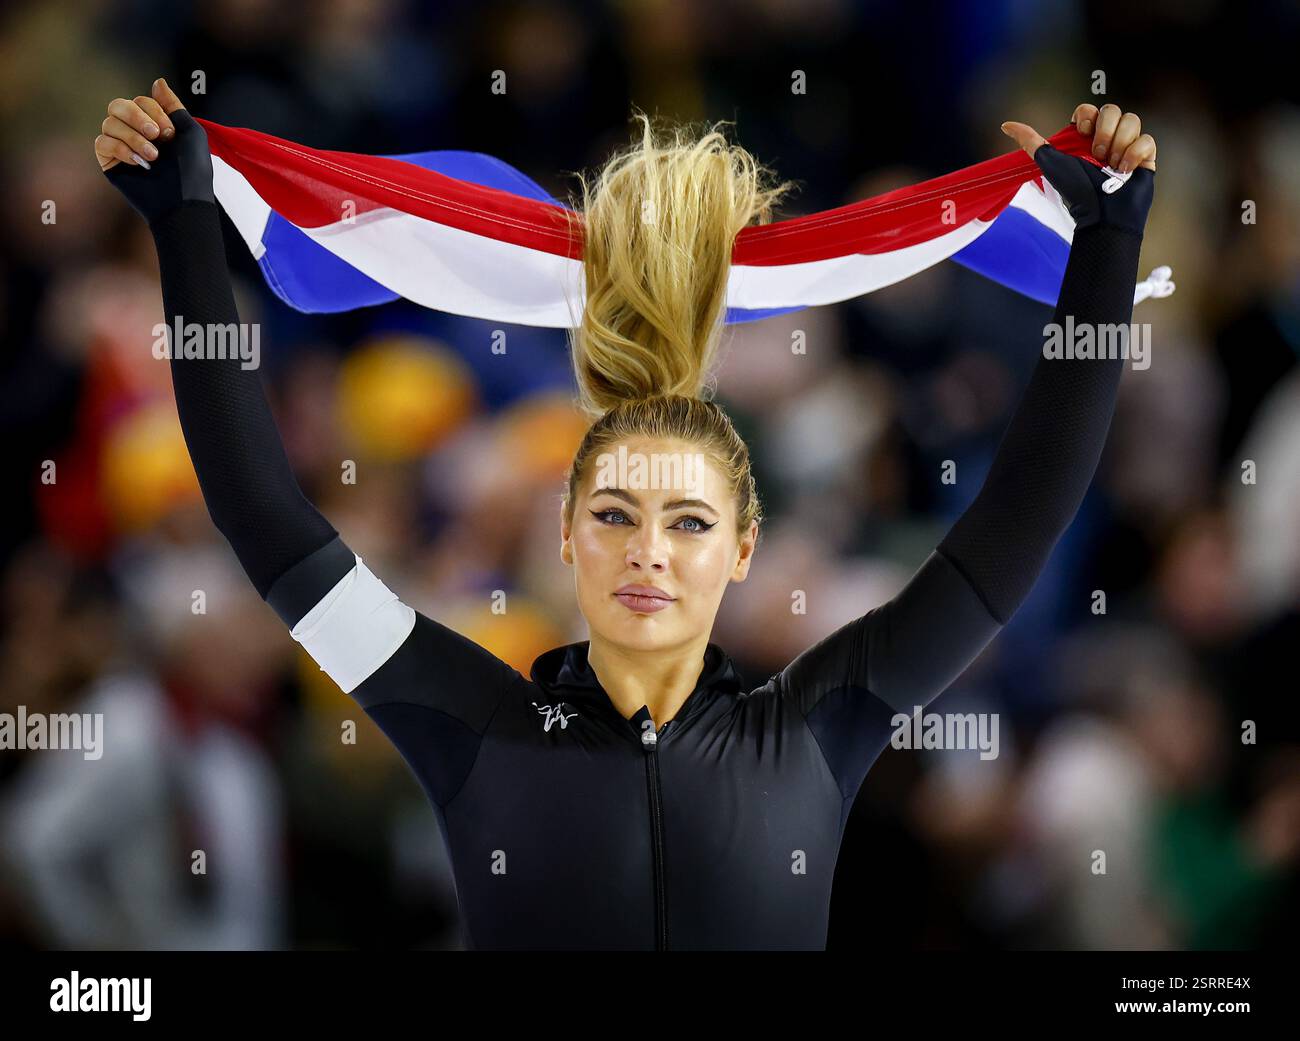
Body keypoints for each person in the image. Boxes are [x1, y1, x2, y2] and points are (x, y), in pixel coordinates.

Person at [98, 79, 1157, 950]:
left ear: (744, 548)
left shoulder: (819, 723)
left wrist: (1107, 247)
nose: (648, 549)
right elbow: (264, 518)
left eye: (690, 523)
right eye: (613, 515)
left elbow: (1020, 516)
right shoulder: (469, 720)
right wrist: (189, 226)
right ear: (564, 535)